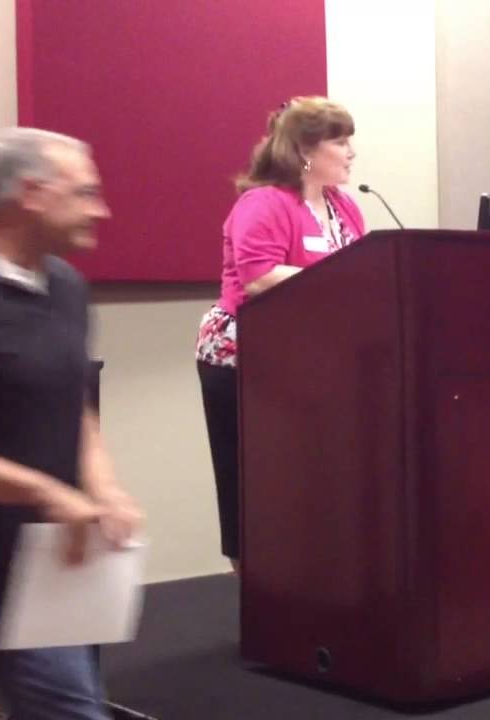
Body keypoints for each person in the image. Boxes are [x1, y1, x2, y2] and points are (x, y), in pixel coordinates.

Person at [0, 127, 142, 719]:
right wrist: (46, 491)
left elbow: (73, 405)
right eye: (85, 193)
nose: (101, 211)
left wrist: (103, 486)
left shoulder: (67, 288)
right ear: (30, 193)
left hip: (42, 566)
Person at [196, 97, 365, 569]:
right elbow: (259, 276)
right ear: (305, 150)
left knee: (308, 482)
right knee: (252, 484)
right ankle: (257, 592)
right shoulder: (264, 202)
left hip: (313, 360)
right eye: (340, 141)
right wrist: (343, 277)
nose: (351, 152)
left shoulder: (345, 207)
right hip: (244, 357)